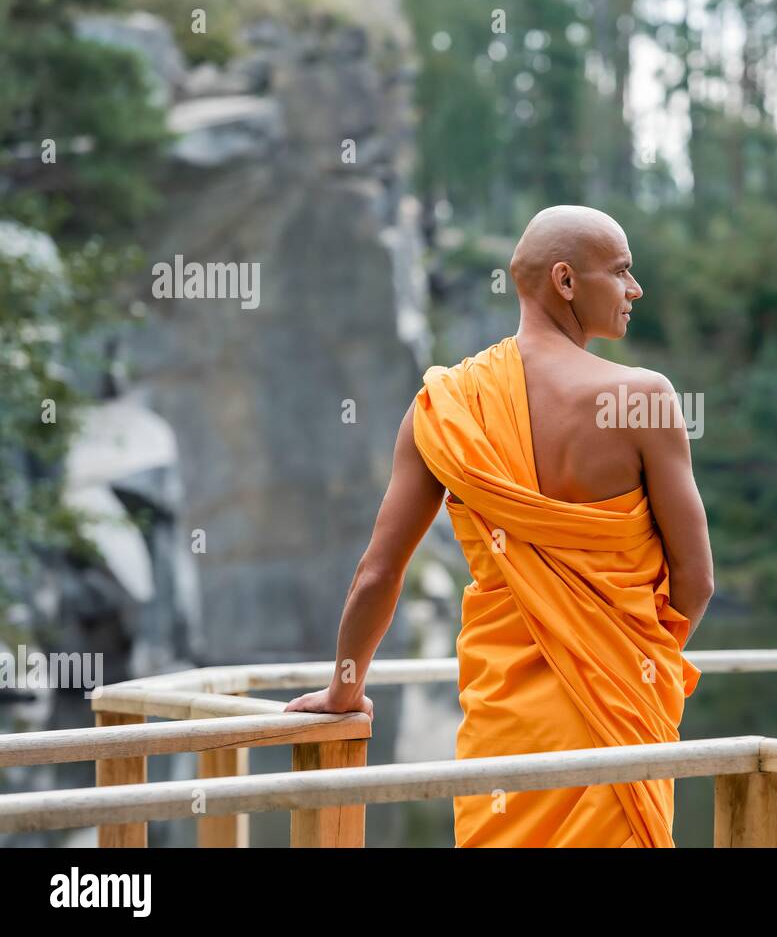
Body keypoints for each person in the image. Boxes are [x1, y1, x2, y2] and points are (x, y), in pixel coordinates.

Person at [285, 204, 713, 847]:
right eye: (622, 272)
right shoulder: (643, 398)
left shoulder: (449, 407)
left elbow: (378, 571)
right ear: (566, 282)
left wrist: (345, 691)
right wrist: (633, 665)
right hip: (620, 717)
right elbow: (697, 580)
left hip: (503, 726)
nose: (635, 290)